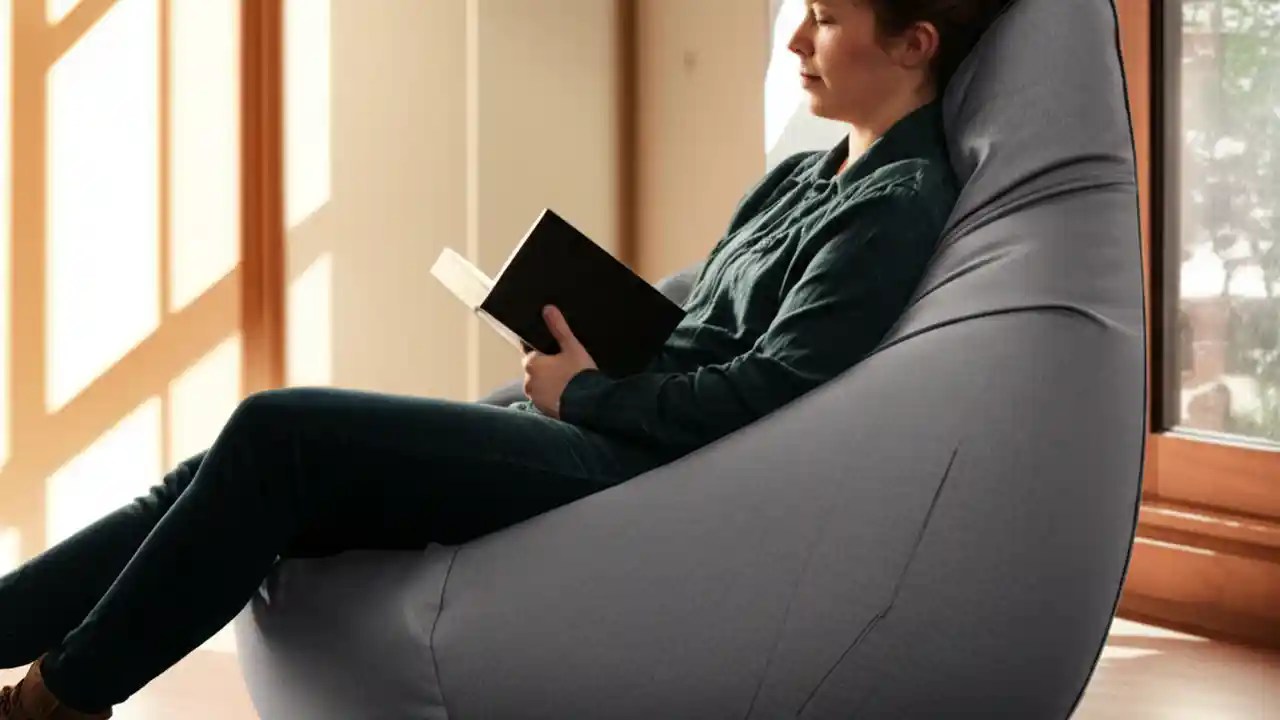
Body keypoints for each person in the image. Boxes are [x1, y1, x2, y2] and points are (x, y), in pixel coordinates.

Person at [0, 1, 1010, 717]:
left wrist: (588, 391)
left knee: (279, 429)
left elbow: (774, 396)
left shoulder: (891, 208)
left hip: (650, 472)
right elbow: (703, 325)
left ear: (913, 42)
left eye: (827, 20)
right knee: (225, 466)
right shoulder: (805, 172)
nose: (795, 37)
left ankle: (61, 698)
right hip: (608, 421)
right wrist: (583, 340)